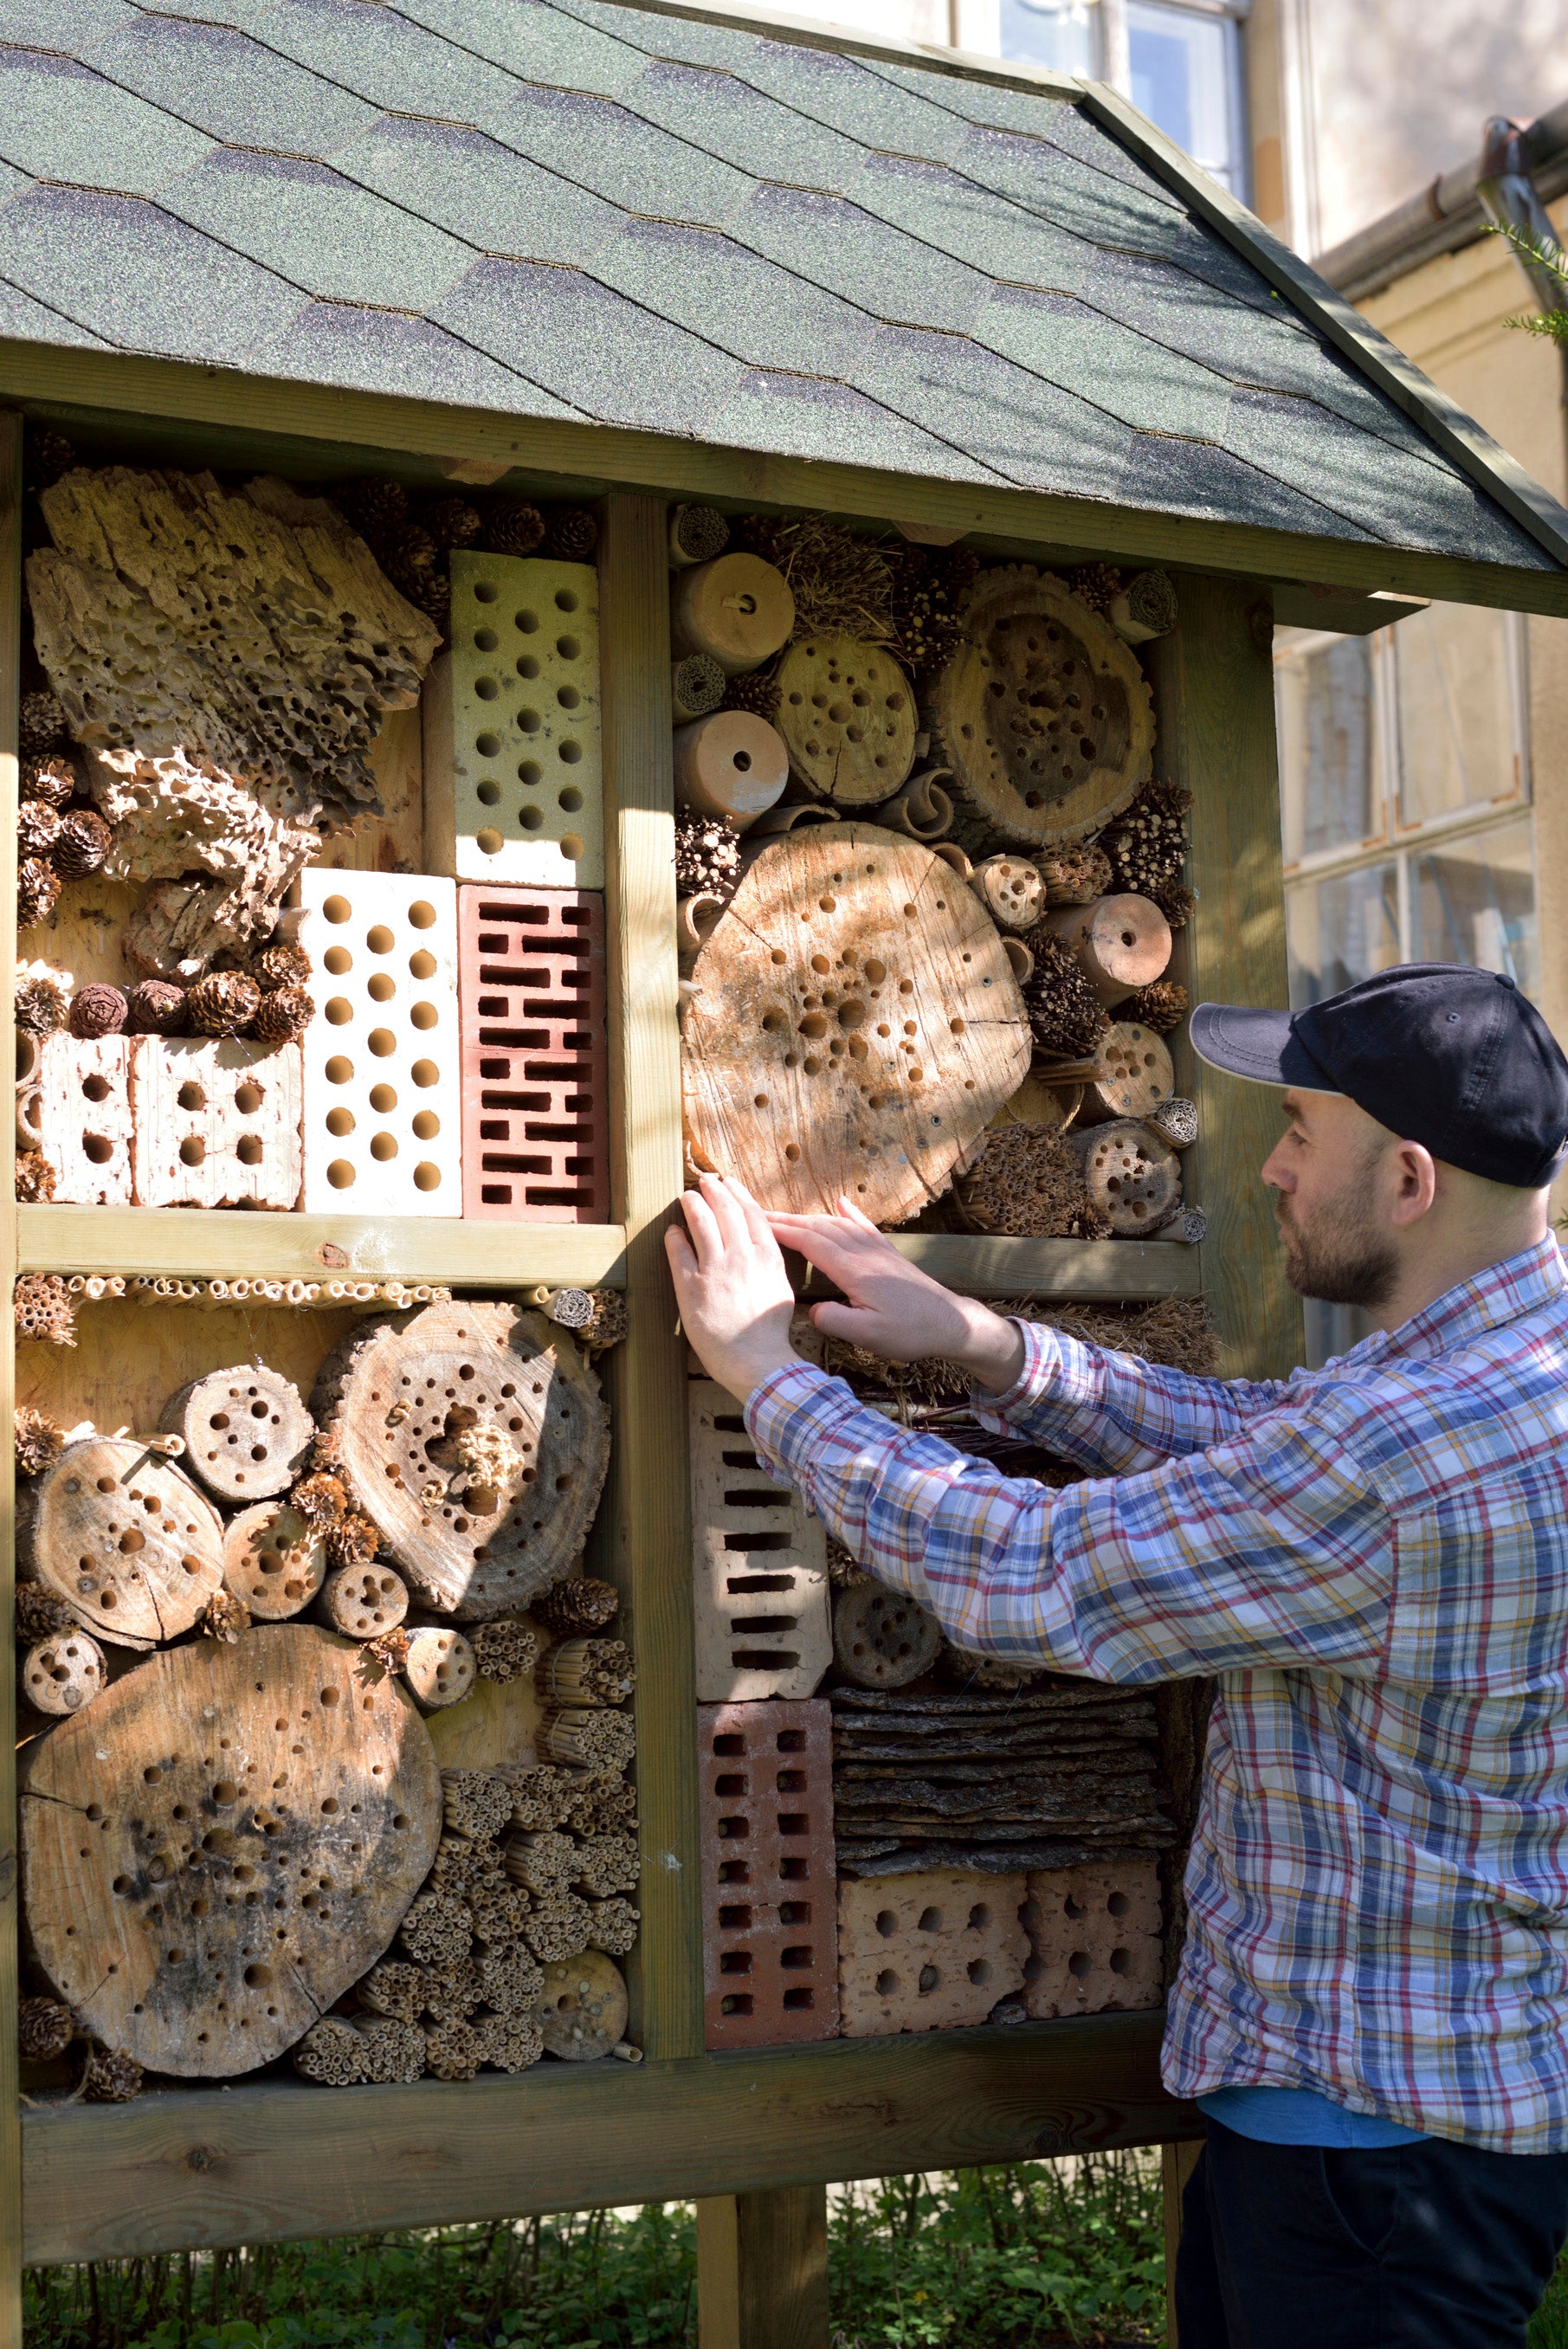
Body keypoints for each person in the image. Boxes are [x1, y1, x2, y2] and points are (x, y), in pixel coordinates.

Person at [666, 962, 1568, 2349]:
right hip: (1431, 2119)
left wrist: (766, 1380)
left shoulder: (1399, 1458)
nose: (1265, 1167)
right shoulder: (1504, 1370)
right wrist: (989, 1345)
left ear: (1406, 1180)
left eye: (1298, 1133)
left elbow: (1040, 1575)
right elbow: (1261, 1451)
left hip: (1365, 2172)